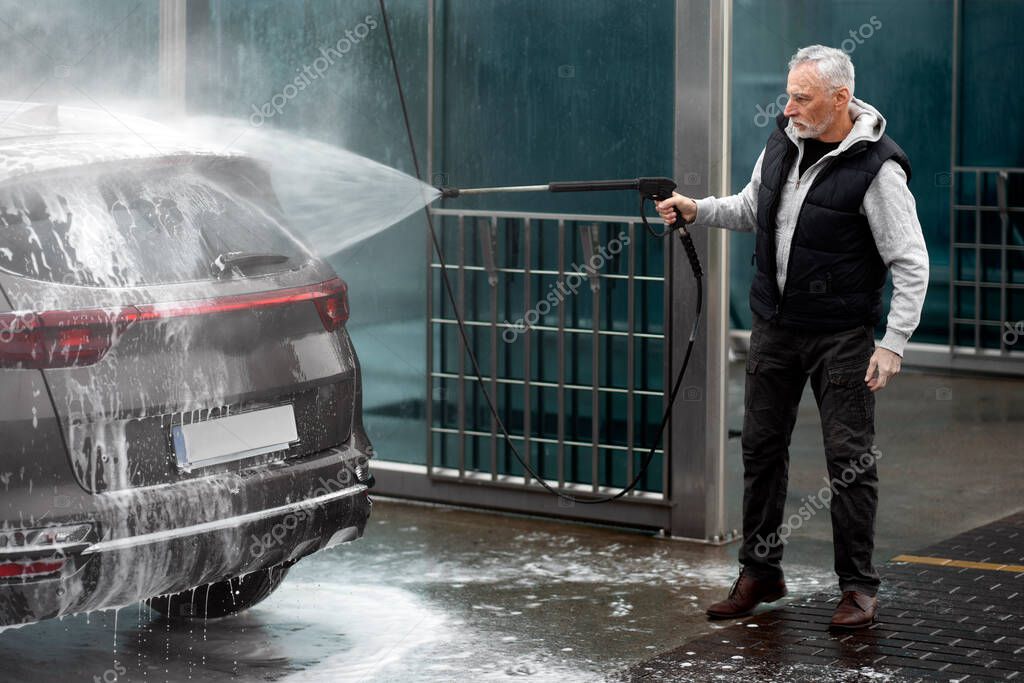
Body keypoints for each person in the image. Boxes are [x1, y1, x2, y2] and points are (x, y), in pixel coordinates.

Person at [656, 45, 929, 629]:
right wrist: (696, 209)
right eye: (788, 94)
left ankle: (858, 587)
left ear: (840, 99)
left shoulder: (878, 168)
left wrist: (893, 342)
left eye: (801, 97)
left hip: (843, 338)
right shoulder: (784, 139)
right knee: (760, 448)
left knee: (848, 459)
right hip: (776, 327)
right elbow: (755, 207)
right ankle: (760, 572)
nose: (788, 107)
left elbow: (910, 261)